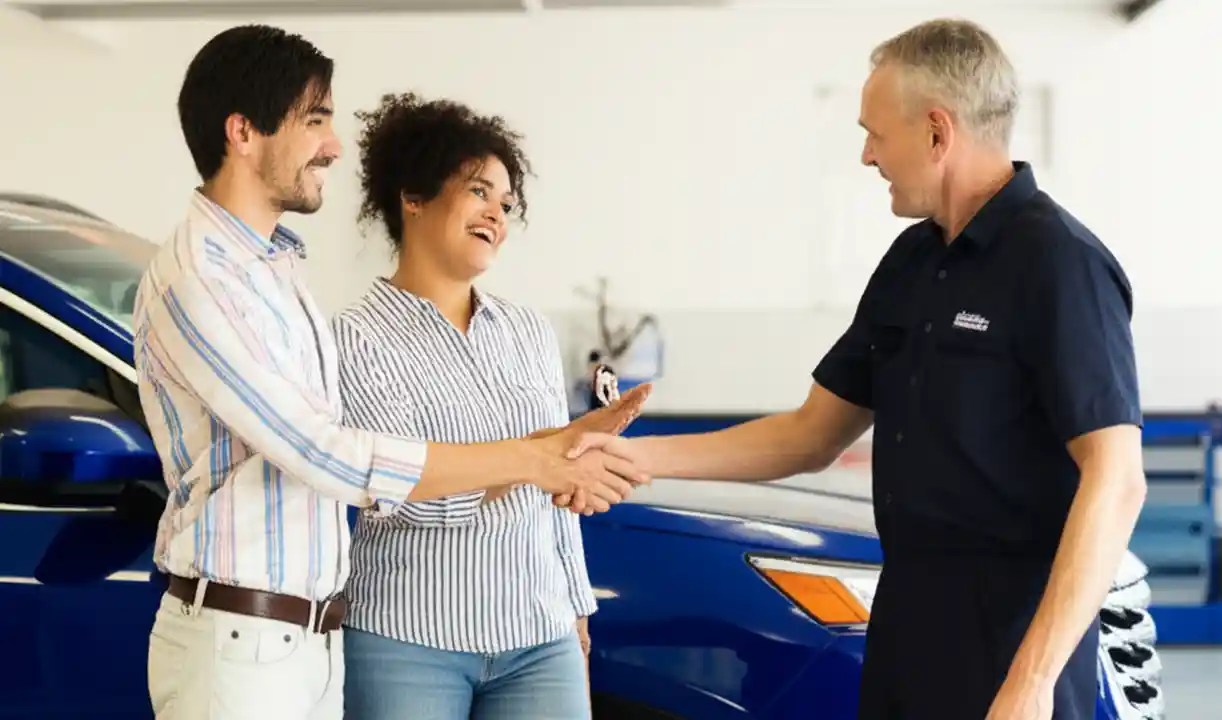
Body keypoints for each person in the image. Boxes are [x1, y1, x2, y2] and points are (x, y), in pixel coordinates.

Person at [567, 18, 1148, 720]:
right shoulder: (911, 265)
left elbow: (1116, 481)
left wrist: (1031, 685)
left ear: (937, 132)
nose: (869, 156)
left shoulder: (1059, 264)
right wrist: (632, 459)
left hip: (1011, 652)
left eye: (876, 132)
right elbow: (809, 436)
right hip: (905, 638)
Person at [133, 26, 647, 720]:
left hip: (311, 637)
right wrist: (537, 459)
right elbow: (325, 452)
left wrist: (571, 587)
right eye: (315, 120)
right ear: (243, 132)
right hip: (259, 640)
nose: (333, 144)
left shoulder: (278, 274)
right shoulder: (204, 280)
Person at [332, 94, 635, 720]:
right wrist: (540, 459)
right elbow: (407, 493)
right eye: (478, 192)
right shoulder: (352, 337)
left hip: (538, 637)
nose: (496, 214)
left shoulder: (528, 331)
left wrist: (574, 606)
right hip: (404, 640)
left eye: (505, 203)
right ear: (412, 197)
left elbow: (560, 497)